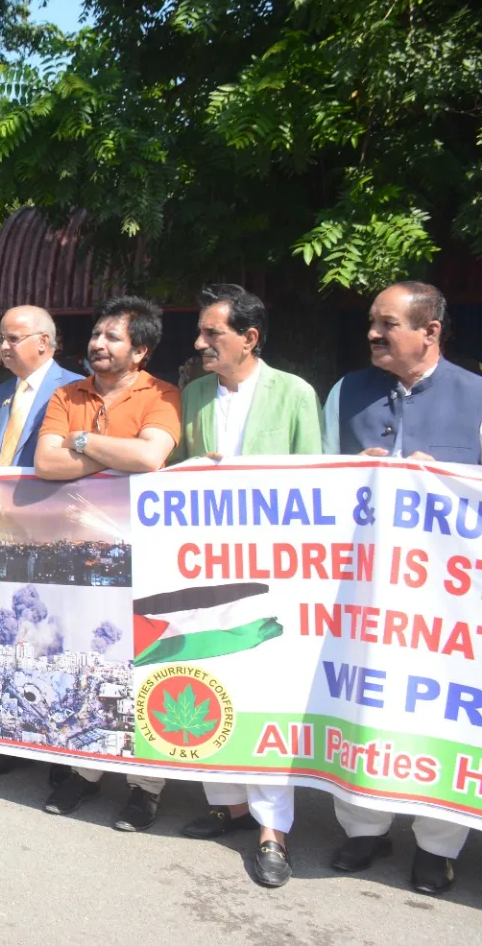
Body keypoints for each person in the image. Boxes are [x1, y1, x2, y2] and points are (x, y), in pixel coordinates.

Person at [322, 280, 477, 896]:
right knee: (360, 703)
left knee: (441, 711)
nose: (372, 334)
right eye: (371, 322)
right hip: (360, 596)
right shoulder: (346, 393)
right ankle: (363, 829)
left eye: (387, 324)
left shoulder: (477, 397)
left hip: (448, 605)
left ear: (429, 331)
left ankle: (437, 846)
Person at [171, 284, 321, 888]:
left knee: (267, 692)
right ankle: (230, 806)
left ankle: (273, 831)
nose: (201, 342)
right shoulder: (196, 395)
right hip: (203, 570)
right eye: (202, 332)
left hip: (272, 573)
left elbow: (315, 485)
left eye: (213, 334)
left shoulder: (294, 394)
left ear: (249, 338)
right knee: (213, 678)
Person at [34, 295, 181, 830]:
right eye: (96, 335)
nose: (97, 344)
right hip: (75, 553)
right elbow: (45, 463)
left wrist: (83, 442)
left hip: (143, 553)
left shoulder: (162, 394)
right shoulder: (65, 393)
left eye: (112, 337)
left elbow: (149, 457)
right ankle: (86, 769)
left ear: (139, 350)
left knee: (142, 661)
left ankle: (145, 786)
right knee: (85, 657)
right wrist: (107, 451)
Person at [0, 305, 83, 773]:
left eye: (14, 339)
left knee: (51, 633)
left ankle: (60, 752)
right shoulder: (2, 391)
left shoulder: (75, 388)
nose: (3, 347)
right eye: (1, 339)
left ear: (44, 342)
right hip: (3, 531)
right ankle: (10, 738)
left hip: (52, 529)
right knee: (11, 633)